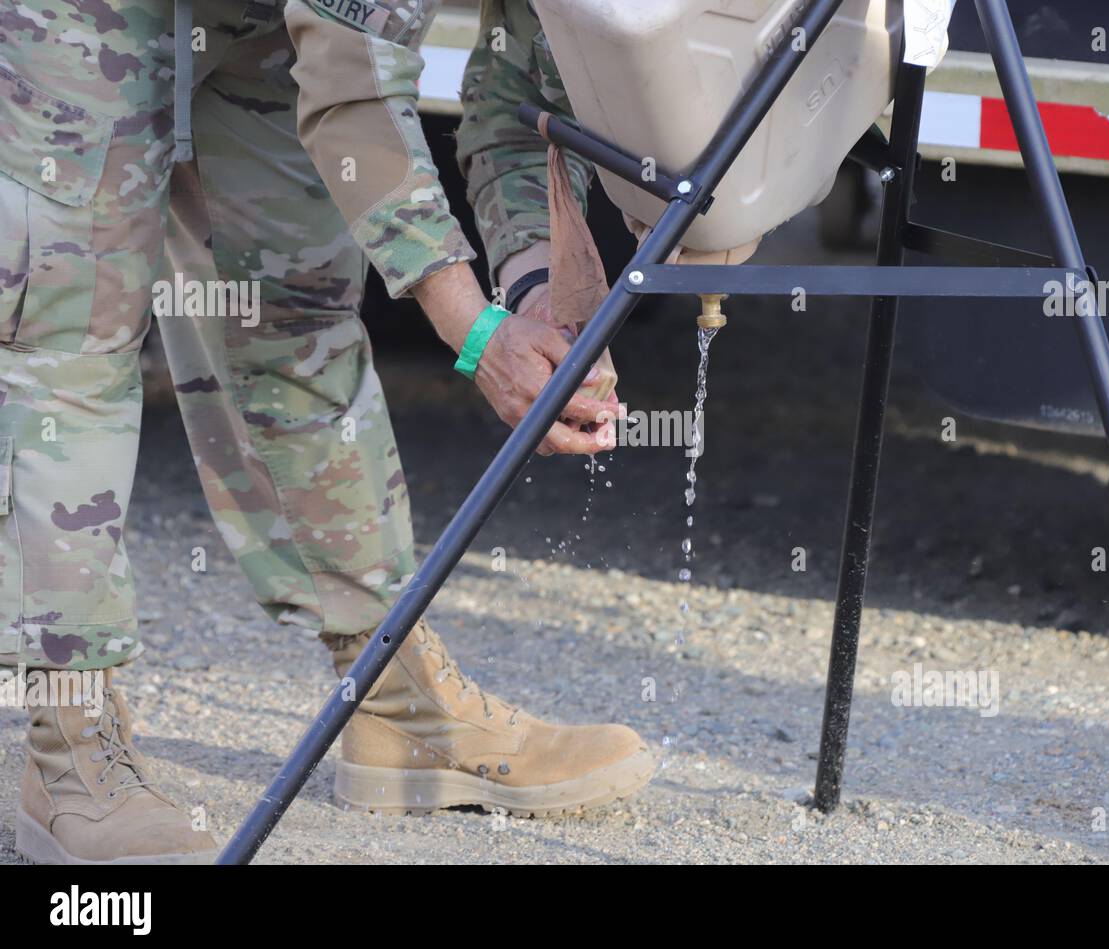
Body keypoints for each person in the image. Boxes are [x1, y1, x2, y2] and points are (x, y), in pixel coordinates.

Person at [0, 0, 653, 865]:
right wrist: (478, 335)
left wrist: (539, 297)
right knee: (75, 325)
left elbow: (510, 100)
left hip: (273, 17)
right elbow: (355, 84)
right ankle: (70, 746)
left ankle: (390, 693)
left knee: (296, 303)